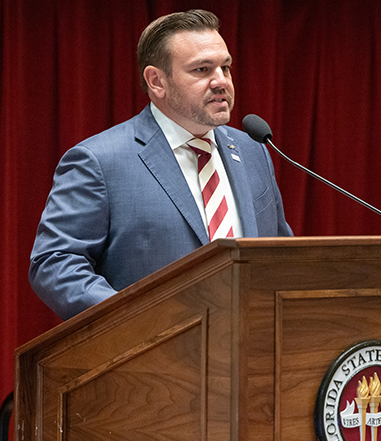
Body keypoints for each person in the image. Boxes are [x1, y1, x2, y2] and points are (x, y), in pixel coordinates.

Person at [29, 9, 293, 320]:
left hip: (255, 349)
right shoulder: (100, 161)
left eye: (225, 67)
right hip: (154, 358)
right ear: (157, 82)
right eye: (202, 69)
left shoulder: (252, 149)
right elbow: (55, 263)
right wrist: (137, 319)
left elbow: (280, 255)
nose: (221, 81)